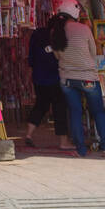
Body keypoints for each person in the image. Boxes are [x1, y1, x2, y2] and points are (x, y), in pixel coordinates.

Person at [50, 0, 105, 157]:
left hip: (66, 79)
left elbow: (57, 56)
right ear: (74, 12)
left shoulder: (55, 32)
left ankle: (81, 149)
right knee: (98, 112)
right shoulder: (84, 29)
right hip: (88, 77)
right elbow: (93, 53)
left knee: (75, 112)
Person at [24, 22, 72, 150]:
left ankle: (29, 134)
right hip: (55, 77)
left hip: (39, 77)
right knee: (59, 109)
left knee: (40, 105)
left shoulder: (36, 34)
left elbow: (31, 57)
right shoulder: (59, 34)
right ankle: (63, 142)